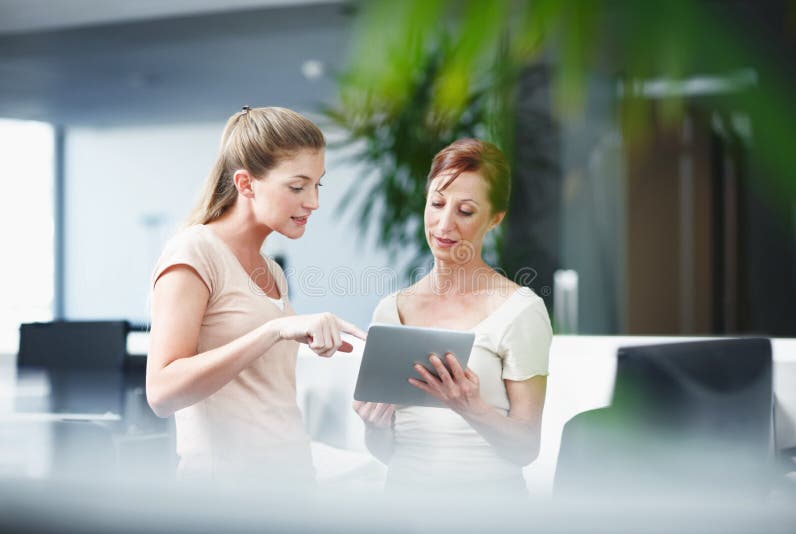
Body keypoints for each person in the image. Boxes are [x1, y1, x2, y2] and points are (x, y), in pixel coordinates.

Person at [146, 106, 365, 489]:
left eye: (318, 185)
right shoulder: (194, 252)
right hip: (227, 496)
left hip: (291, 485)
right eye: (297, 187)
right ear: (246, 184)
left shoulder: (272, 271)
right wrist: (273, 331)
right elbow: (162, 393)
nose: (313, 202)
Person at [353, 138, 552, 496]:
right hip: (403, 509)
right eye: (437, 204)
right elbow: (387, 454)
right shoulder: (390, 310)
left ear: (494, 219)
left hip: (486, 510)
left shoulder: (521, 310)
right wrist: (374, 427)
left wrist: (471, 407)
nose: (444, 225)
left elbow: (526, 449)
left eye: (465, 211)